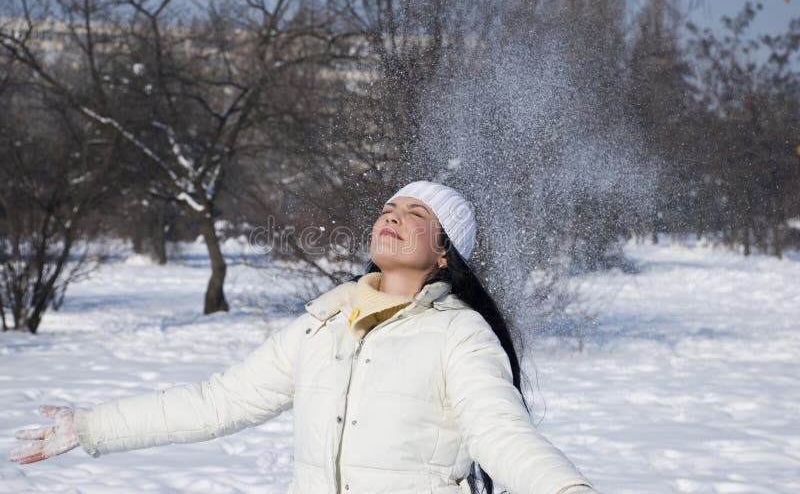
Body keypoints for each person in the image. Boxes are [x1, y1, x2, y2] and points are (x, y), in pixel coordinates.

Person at [9, 180, 599, 494]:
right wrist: (91, 428)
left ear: (445, 253)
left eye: (416, 214)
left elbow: (499, 432)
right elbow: (221, 401)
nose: (392, 215)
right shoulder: (324, 323)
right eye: (389, 206)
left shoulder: (460, 336)